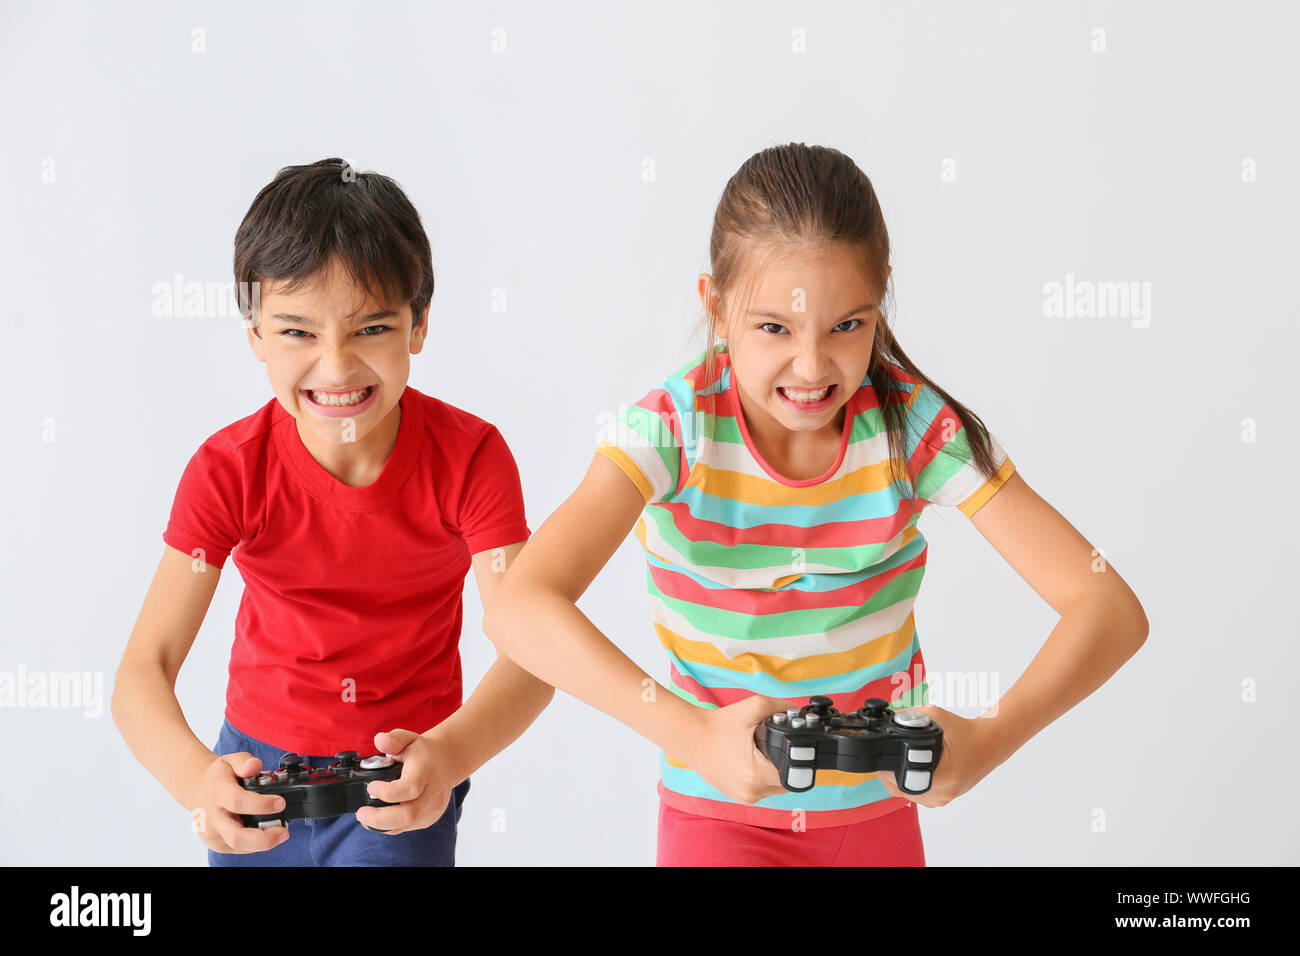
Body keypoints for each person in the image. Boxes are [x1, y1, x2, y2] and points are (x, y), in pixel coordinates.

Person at [482, 142, 1149, 866]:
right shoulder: (672, 430)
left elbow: (1108, 607)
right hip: (719, 819)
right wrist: (694, 736)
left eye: (847, 325)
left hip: (876, 819)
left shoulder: (911, 426)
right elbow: (518, 609)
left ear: (880, 298)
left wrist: (990, 738)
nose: (811, 365)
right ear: (715, 307)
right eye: (774, 327)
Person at [111, 158, 553, 866]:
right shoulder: (227, 470)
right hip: (254, 774)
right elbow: (143, 670)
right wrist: (197, 779)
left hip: (403, 780)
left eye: (371, 328)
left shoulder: (472, 458)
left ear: (419, 324)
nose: (338, 367)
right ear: (254, 333)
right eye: (297, 333)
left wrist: (449, 755)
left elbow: (534, 653)